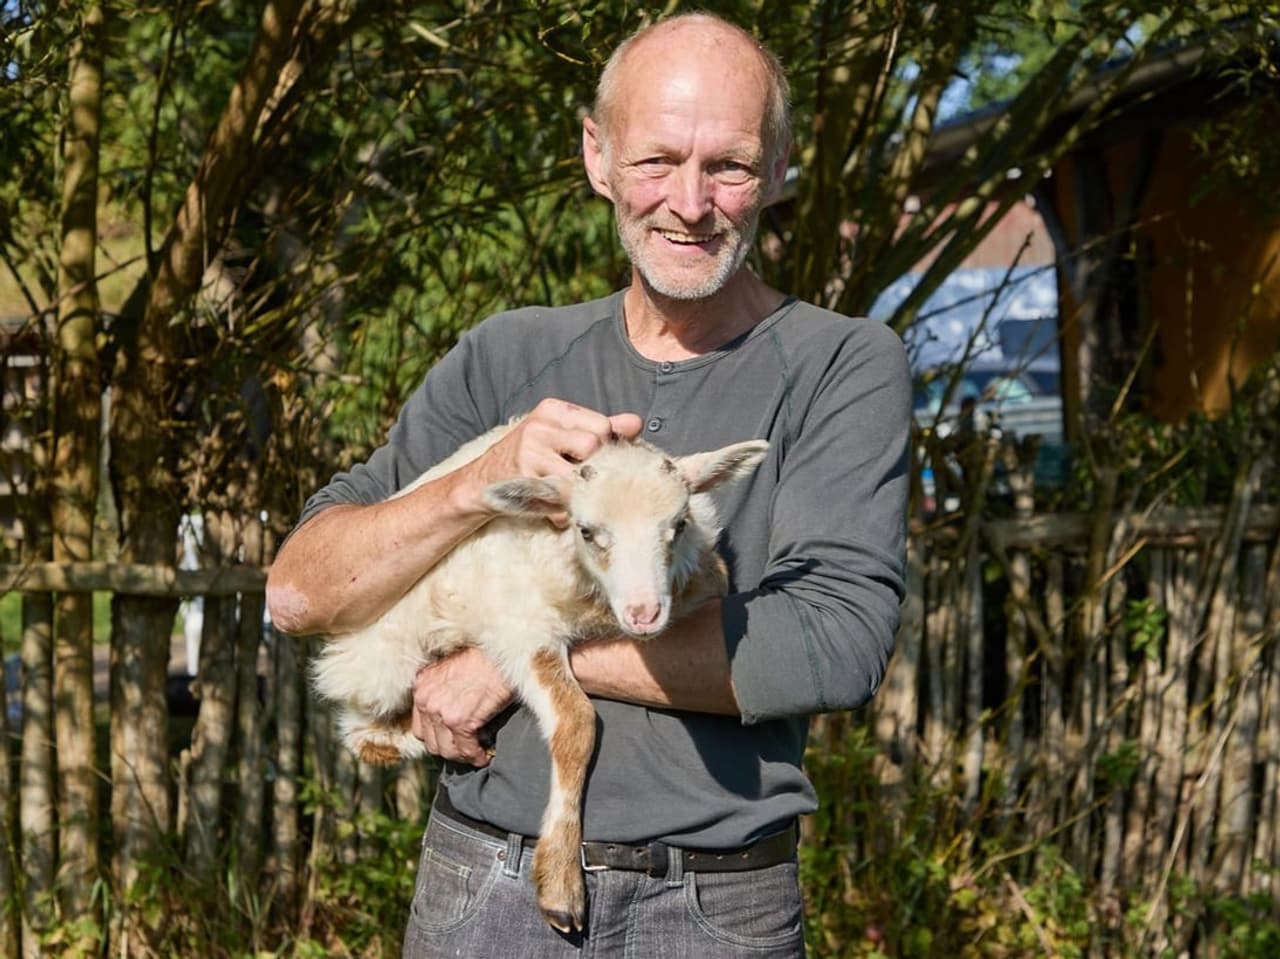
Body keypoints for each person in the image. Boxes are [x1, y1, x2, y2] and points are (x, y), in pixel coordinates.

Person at [266, 12, 910, 958]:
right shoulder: (508, 354)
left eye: (727, 165)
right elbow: (300, 588)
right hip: (480, 883)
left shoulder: (841, 364)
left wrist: (514, 654)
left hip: (715, 905)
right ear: (596, 155)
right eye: (655, 160)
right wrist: (482, 476)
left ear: (778, 171)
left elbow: (835, 645)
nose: (689, 202)